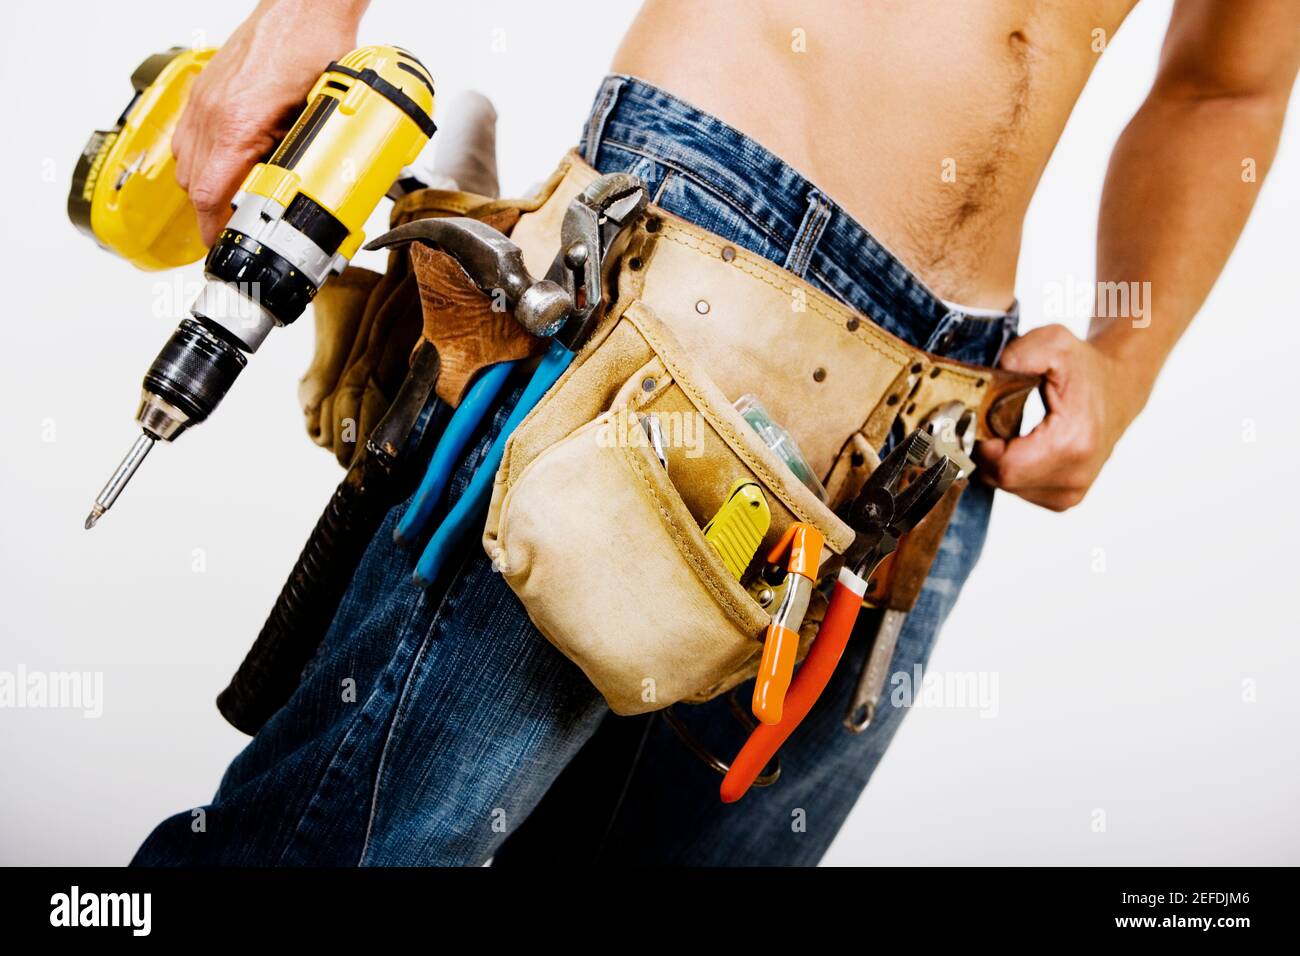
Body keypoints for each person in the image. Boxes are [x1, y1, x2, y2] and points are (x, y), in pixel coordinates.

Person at [136, 0, 1300, 865]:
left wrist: (1127, 359)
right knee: (340, 848)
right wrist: (297, 23)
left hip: (937, 419)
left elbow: (1226, 85)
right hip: (694, 244)